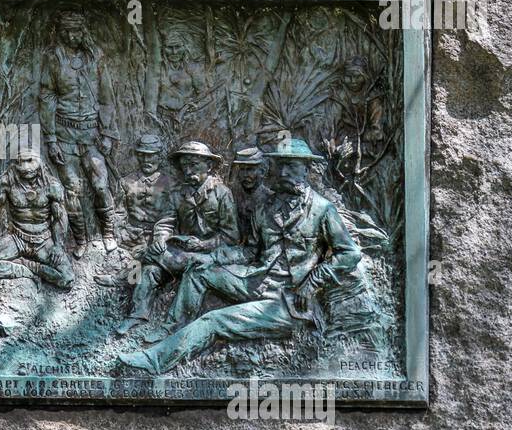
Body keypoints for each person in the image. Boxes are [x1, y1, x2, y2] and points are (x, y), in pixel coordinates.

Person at [118, 138, 378, 375]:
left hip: (288, 302)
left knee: (214, 321)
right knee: (198, 272)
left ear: (306, 170)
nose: (284, 173)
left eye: (292, 167)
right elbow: (249, 251)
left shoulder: (322, 210)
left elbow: (349, 253)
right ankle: (171, 329)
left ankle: (155, 361)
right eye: (280, 167)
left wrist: (312, 283)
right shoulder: (265, 208)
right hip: (257, 280)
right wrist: (213, 258)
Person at [115, 140, 242, 337]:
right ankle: (137, 314)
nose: (188, 170)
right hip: (182, 252)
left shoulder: (221, 193)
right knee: (150, 269)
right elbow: (166, 221)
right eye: (184, 166)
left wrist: (203, 244)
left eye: (194, 165)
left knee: (151, 257)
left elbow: (231, 237)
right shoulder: (178, 193)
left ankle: (172, 327)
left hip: (210, 256)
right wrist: (160, 238)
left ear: (208, 166)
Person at [39, 10, 118, 257]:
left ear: (84, 32)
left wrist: (107, 134)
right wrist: (50, 139)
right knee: (72, 189)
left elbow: (107, 97)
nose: (72, 37)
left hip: (92, 135)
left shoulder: (96, 58)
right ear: (61, 33)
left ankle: (108, 233)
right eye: (67, 32)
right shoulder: (53, 58)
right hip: (65, 136)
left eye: (77, 31)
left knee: (101, 185)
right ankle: (81, 239)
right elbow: (47, 97)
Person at [0, 149, 74, 290]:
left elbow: (60, 218)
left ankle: (32, 266)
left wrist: (58, 246)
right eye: (21, 162)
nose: (26, 167)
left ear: (39, 162)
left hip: (44, 241)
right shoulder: (7, 181)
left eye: (30, 160)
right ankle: (24, 270)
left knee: (67, 279)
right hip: (17, 238)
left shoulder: (52, 186)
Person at [96, 132, 171, 287]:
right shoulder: (126, 181)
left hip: (158, 238)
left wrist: (162, 238)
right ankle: (128, 281)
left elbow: (173, 216)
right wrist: (117, 230)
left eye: (151, 156)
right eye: (142, 156)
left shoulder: (169, 184)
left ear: (159, 156)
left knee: (147, 264)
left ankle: (121, 281)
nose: (146, 160)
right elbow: (119, 211)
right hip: (130, 236)